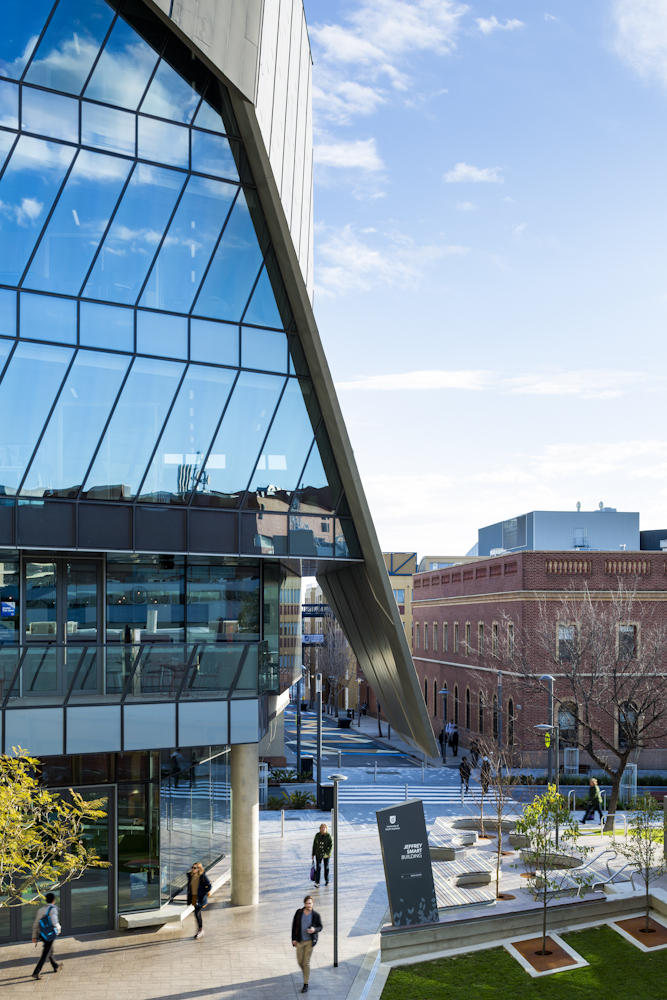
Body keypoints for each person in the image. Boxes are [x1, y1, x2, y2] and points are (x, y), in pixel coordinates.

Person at [291, 894, 323, 993]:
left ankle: (306, 983)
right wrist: (294, 938)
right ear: (304, 903)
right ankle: (305, 972)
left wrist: (314, 929)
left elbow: (320, 927)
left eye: (310, 903)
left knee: (306, 962)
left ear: (312, 903)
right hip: (300, 940)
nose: (308, 905)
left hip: (309, 941)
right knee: (300, 962)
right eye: (307, 903)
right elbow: (294, 925)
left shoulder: (316, 915)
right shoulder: (299, 912)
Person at [31, 892, 63, 980]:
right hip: (50, 933)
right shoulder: (53, 909)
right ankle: (36, 972)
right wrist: (58, 929)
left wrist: (34, 936)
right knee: (46, 952)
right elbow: (54, 921)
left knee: (49, 950)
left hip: (42, 933)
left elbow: (36, 923)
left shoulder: (41, 910)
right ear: (53, 900)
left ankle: (55, 966)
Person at [187, 862, 212, 939]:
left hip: (200, 898)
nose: (193, 869)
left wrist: (203, 893)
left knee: (197, 912)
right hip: (194, 897)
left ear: (199, 869)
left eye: (195, 868)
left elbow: (209, 886)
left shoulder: (202, 876)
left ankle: (200, 929)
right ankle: (200, 929)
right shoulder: (190, 876)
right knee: (197, 912)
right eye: (192, 867)